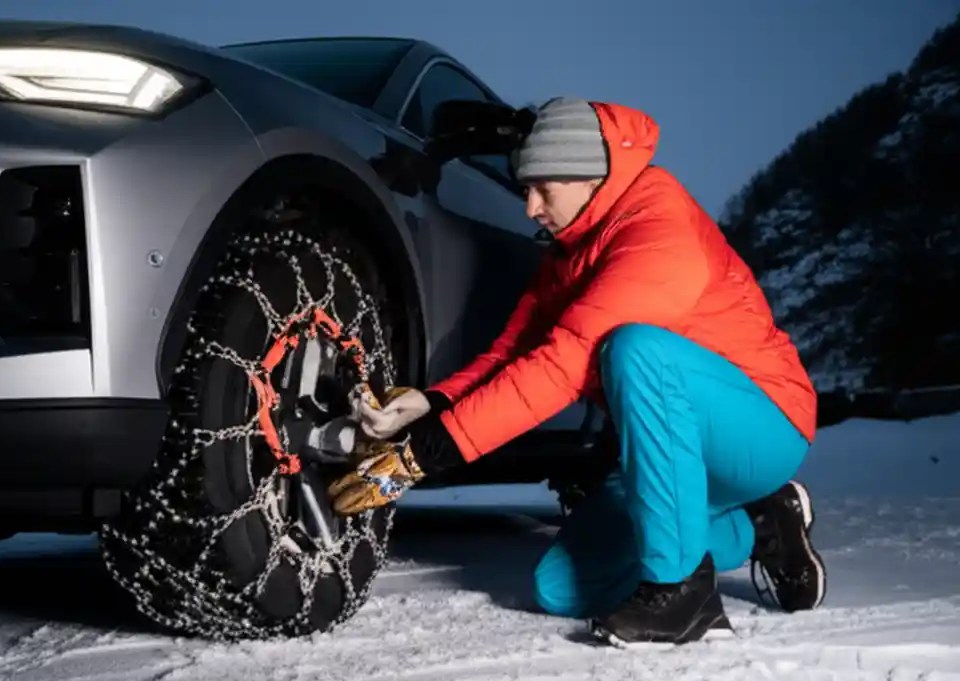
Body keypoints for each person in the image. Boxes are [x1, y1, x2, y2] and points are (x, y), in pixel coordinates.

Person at [327, 97, 827, 646]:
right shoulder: (567, 254)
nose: (530, 208)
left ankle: (684, 595)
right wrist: (433, 403)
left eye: (544, 190)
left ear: (591, 179)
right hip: (675, 452)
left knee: (635, 349)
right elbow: (513, 353)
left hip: (761, 427)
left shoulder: (659, 227)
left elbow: (564, 363)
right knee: (559, 588)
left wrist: (425, 453)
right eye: (525, 191)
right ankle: (759, 525)